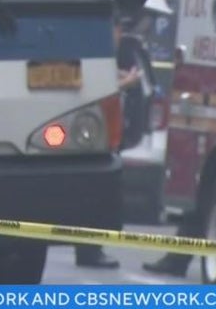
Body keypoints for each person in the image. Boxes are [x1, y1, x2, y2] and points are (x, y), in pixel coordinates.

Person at [76, 16, 148, 269]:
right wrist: (126, 82)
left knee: (97, 195)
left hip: (102, 137)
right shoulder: (91, 54)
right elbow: (98, 87)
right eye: (116, 31)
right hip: (92, 137)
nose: (118, 37)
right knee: (92, 196)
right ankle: (89, 251)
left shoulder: (103, 58)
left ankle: (91, 248)